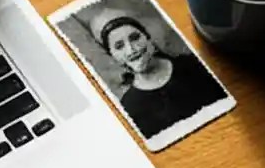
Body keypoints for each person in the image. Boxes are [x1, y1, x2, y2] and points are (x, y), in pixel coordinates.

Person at [88, 8, 227, 139]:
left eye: (135, 38)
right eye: (119, 46)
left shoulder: (194, 64)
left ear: (147, 37)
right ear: (113, 56)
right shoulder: (129, 108)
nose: (131, 49)